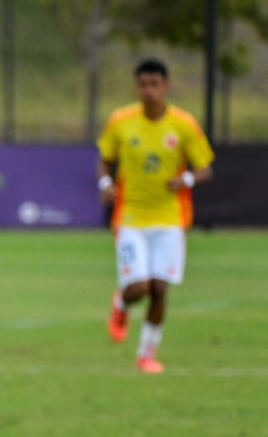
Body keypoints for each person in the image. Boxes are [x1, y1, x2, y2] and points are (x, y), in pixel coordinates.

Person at [98, 58, 214, 374]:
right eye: (143, 84)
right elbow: (105, 160)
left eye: (155, 84)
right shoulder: (121, 121)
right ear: (137, 86)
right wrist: (105, 183)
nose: (149, 91)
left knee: (160, 288)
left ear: (166, 86)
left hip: (170, 219)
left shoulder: (183, 124)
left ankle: (147, 354)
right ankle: (122, 303)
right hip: (131, 219)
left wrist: (187, 179)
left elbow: (205, 167)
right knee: (139, 289)